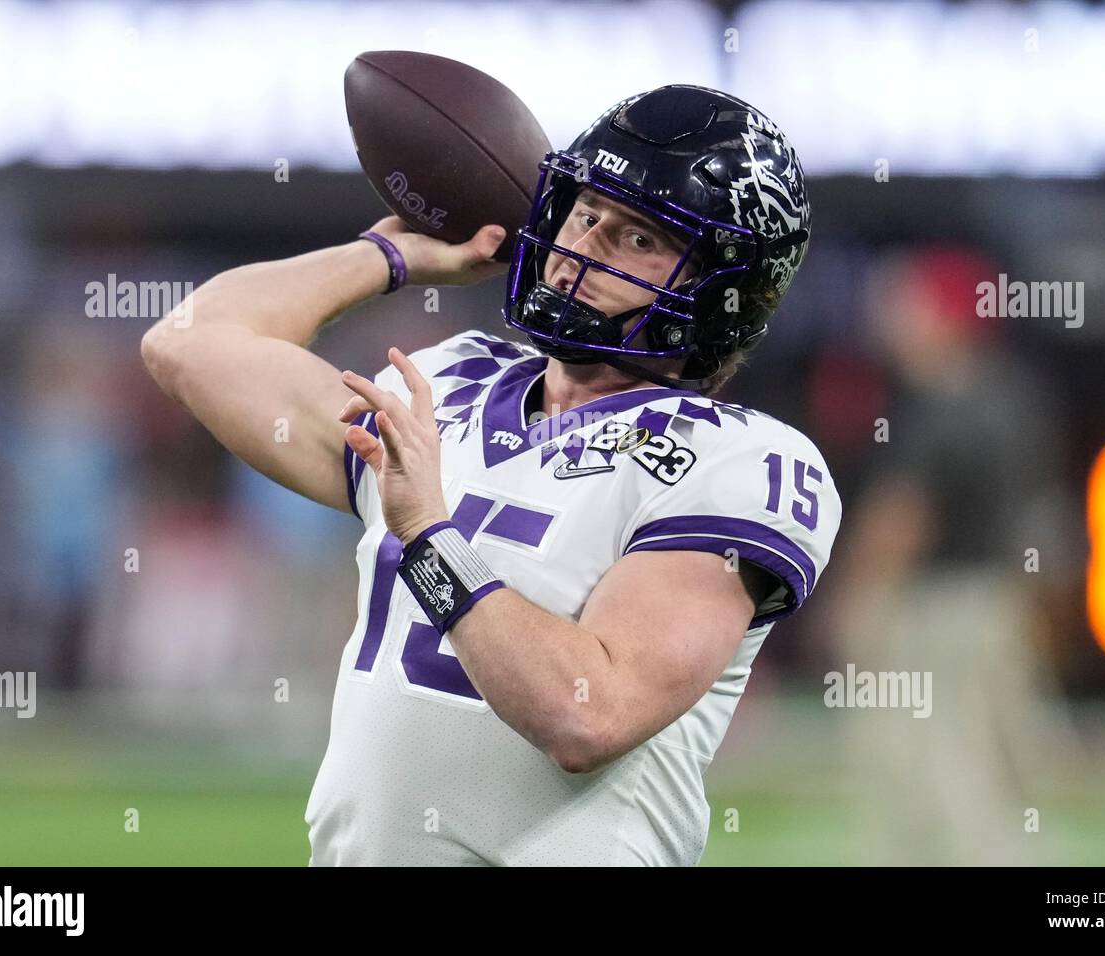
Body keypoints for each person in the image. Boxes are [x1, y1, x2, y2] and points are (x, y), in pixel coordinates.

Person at [141, 85, 841, 865]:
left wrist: (431, 538)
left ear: (722, 293)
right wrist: (388, 257)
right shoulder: (449, 383)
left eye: (639, 236)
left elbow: (587, 717)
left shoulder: (736, 461)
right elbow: (188, 343)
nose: (587, 245)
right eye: (584, 212)